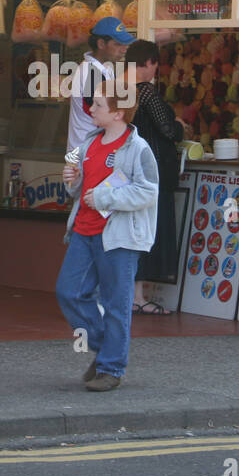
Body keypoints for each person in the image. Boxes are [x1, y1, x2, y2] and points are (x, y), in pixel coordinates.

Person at [56, 75, 159, 391]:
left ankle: (111, 368)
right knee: (69, 292)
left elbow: (149, 191)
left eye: (98, 104)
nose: (91, 108)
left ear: (118, 113)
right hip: (84, 231)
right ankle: (106, 351)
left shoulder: (138, 148)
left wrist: (104, 197)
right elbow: (80, 189)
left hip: (119, 236)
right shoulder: (89, 142)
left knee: (117, 302)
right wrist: (71, 181)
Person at [127, 39, 189, 313]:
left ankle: (134, 295)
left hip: (132, 171)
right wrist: (178, 126)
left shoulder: (122, 90)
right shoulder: (147, 92)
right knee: (150, 231)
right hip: (153, 172)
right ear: (150, 63)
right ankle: (140, 297)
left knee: (135, 231)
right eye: (155, 65)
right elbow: (166, 129)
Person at [66, 15, 135, 154]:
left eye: (125, 44)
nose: (124, 49)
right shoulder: (90, 73)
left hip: (95, 149)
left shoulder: (105, 68)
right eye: (117, 44)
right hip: (85, 153)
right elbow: (107, 113)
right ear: (101, 44)